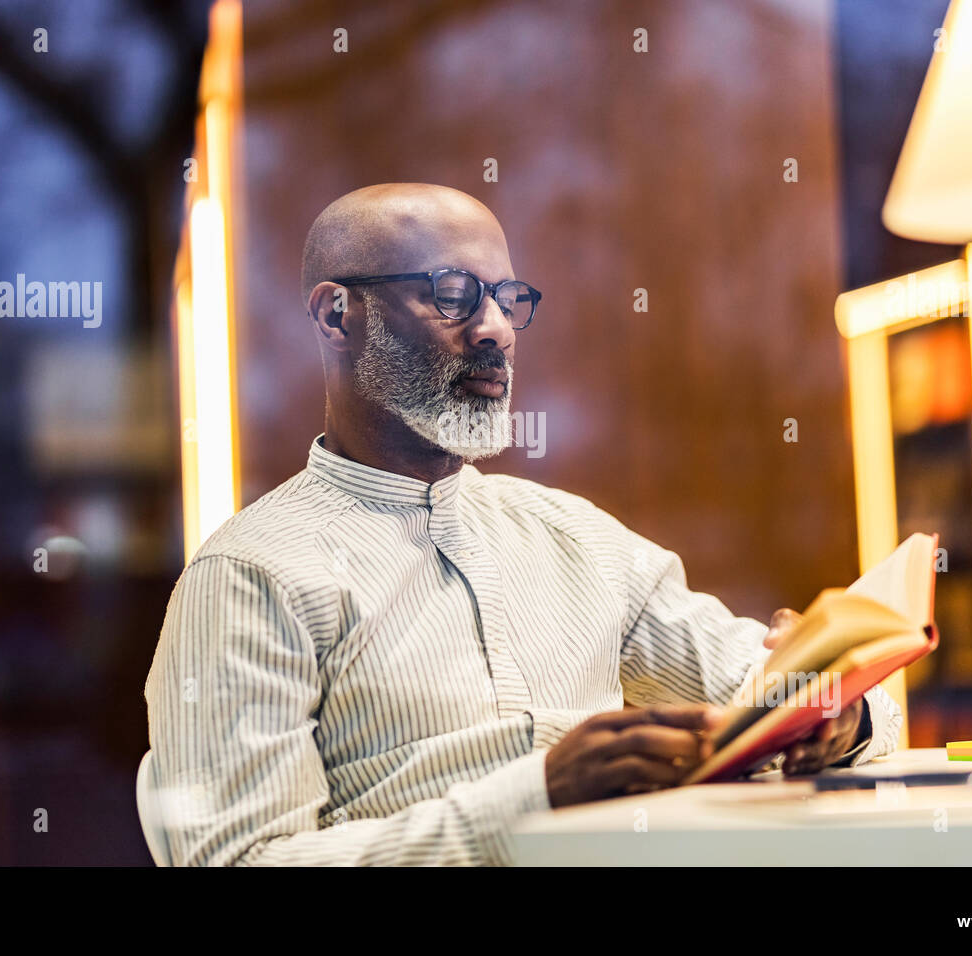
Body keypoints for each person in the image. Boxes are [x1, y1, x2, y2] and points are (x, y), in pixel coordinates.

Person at [144, 183, 901, 866]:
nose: (496, 330)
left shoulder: (577, 540)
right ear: (337, 315)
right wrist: (532, 801)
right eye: (452, 294)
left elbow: (805, 694)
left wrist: (836, 713)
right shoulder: (250, 577)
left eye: (507, 300)